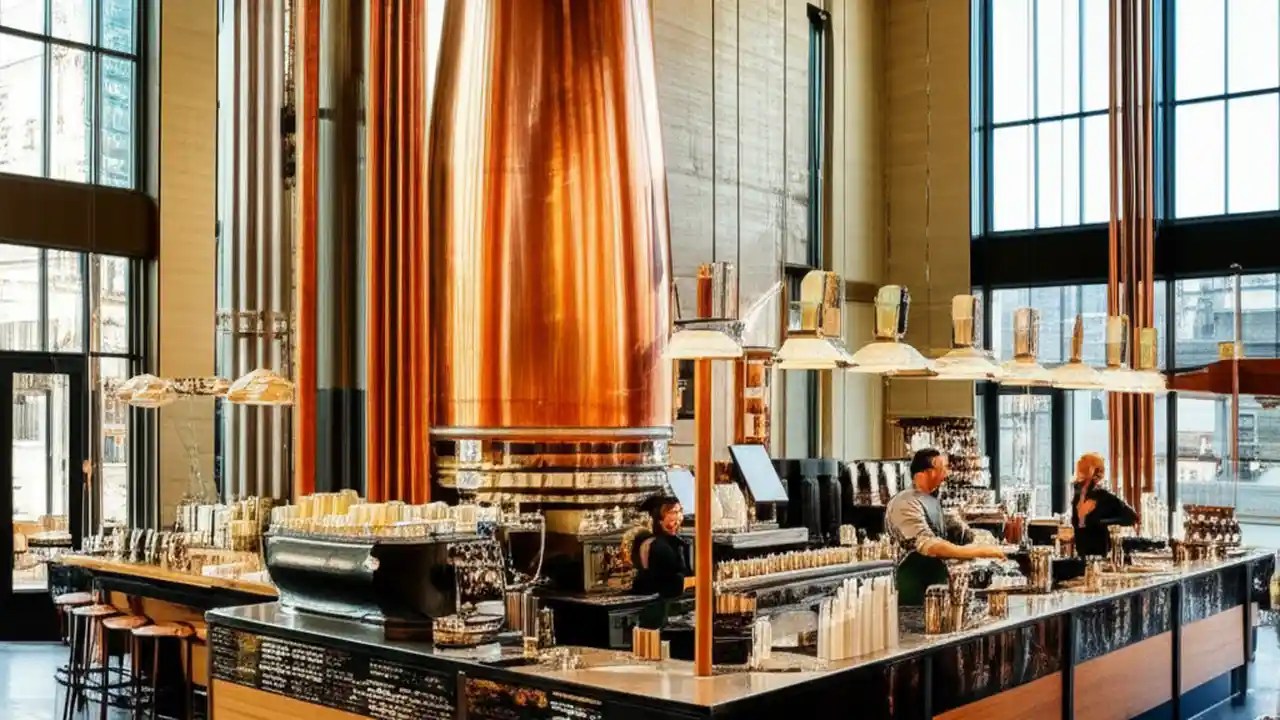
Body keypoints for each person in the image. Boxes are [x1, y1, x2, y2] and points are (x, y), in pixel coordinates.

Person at [886, 448, 1005, 604]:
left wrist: (982, 539)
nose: (946, 475)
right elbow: (929, 546)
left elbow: (957, 531)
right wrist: (978, 551)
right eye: (942, 469)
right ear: (926, 472)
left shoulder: (931, 500)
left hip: (933, 586)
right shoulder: (905, 502)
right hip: (911, 590)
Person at [1068, 452, 1137, 557]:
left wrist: (1101, 522)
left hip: (1093, 553)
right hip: (1091, 553)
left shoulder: (1099, 496)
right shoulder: (1084, 494)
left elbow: (1132, 517)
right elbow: (1131, 517)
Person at [629, 497, 692, 600]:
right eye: (673, 512)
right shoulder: (657, 544)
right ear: (659, 519)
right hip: (660, 598)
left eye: (680, 511)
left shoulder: (677, 542)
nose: (679, 517)